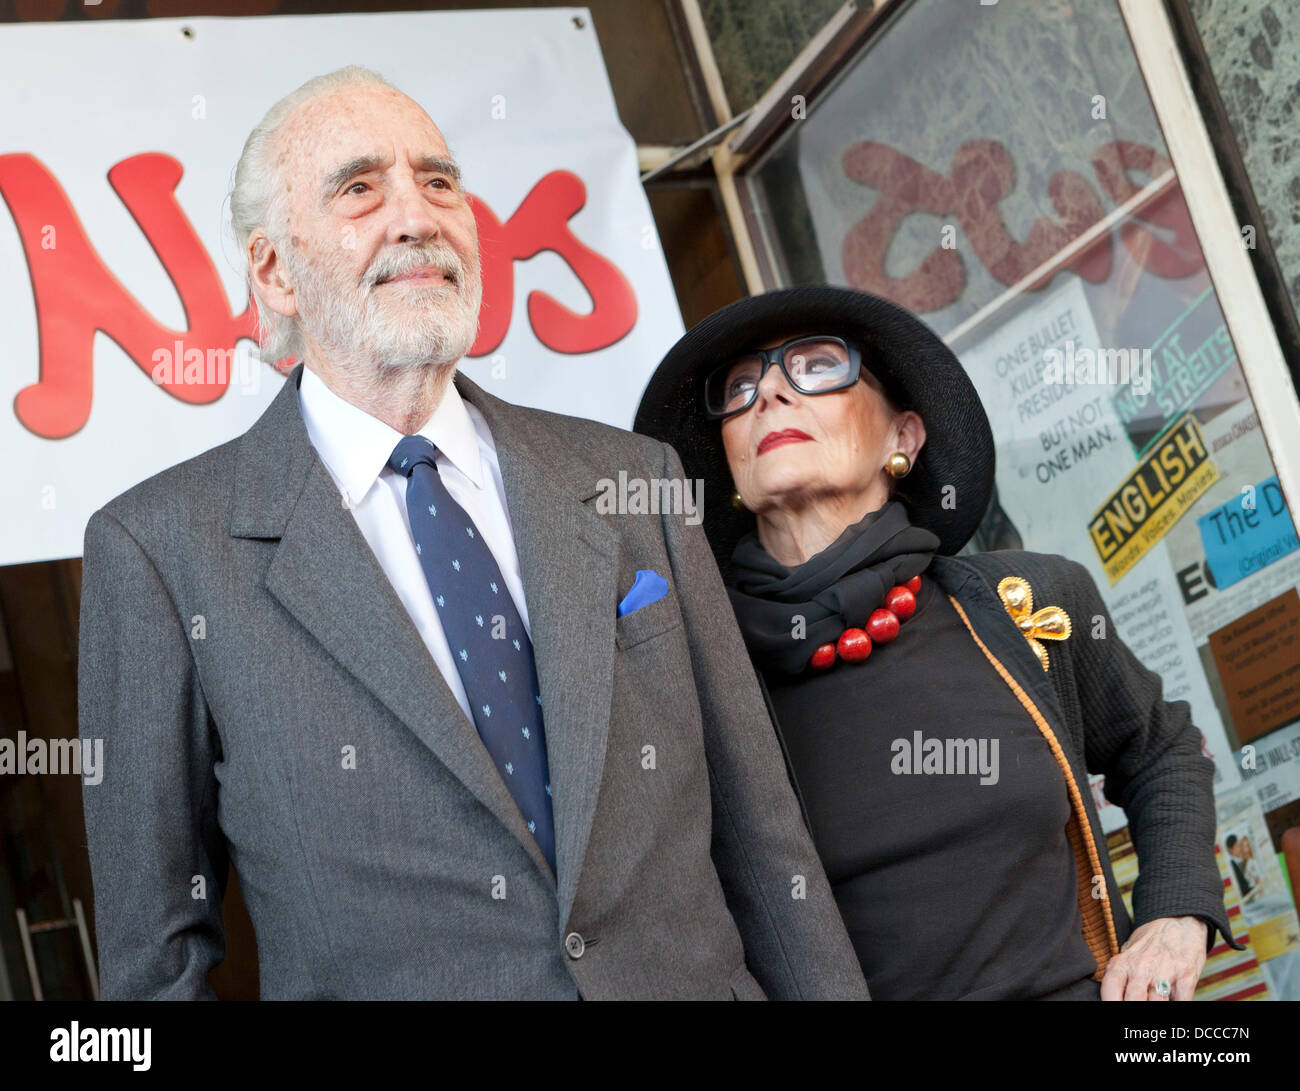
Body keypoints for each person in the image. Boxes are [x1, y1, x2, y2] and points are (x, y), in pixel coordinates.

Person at [77, 67, 869, 1001]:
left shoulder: (635, 480)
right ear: (274, 271)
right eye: (360, 188)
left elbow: (764, 836)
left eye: (440, 182)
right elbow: (156, 966)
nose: (418, 217)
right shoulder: (161, 553)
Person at [634, 285, 1242, 1001]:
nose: (769, 392)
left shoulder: (1028, 603)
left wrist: (1175, 912)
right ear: (729, 464)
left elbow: (1162, 748)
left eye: (817, 366)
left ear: (904, 437)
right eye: (740, 386)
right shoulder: (692, 682)